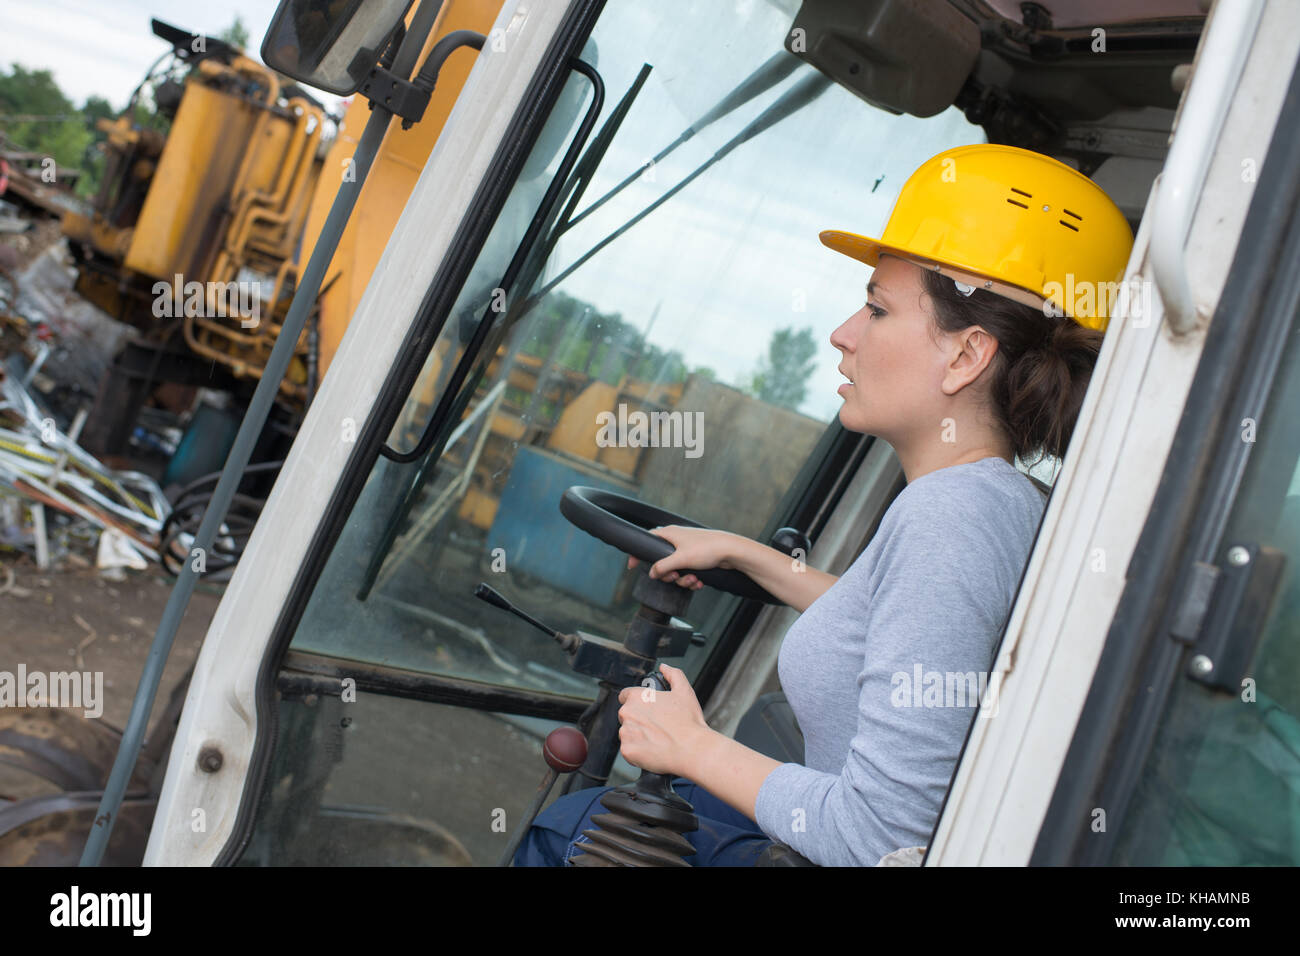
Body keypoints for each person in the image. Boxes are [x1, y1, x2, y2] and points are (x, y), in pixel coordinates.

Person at [513, 143, 1134, 866]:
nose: (842, 334)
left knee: (572, 829)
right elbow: (898, 625)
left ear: (966, 357)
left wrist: (691, 745)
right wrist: (753, 556)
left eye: (876, 309)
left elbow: (884, 838)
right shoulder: (997, 498)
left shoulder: (951, 519)